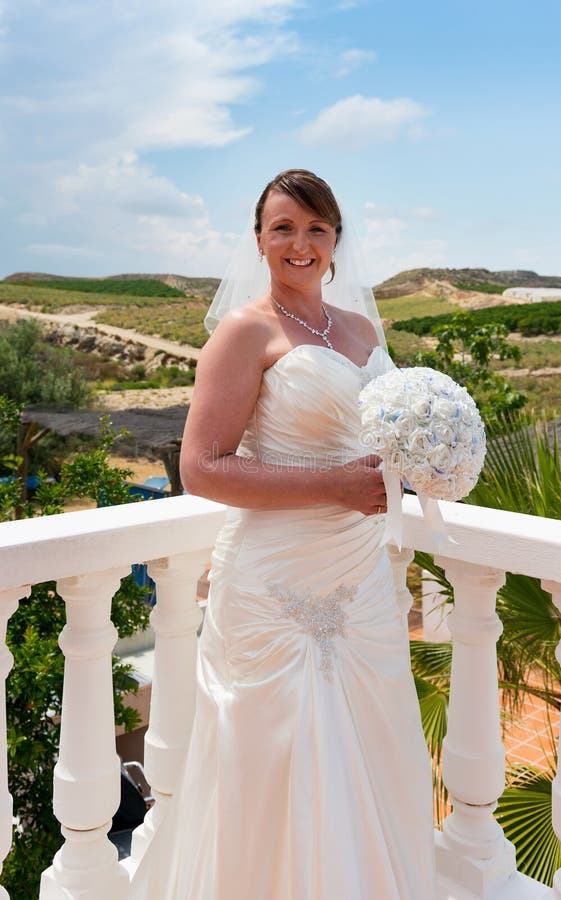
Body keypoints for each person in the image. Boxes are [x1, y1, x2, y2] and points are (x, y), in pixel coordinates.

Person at [130, 170, 436, 899]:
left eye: (316, 229)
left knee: (372, 749)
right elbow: (202, 469)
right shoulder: (245, 331)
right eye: (283, 228)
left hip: (360, 579)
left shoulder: (363, 330)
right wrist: (332, 487)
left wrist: (422, 462)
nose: (300, 244)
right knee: (274, 757)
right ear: (259, 240)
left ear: (336, 242)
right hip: (275, 584)